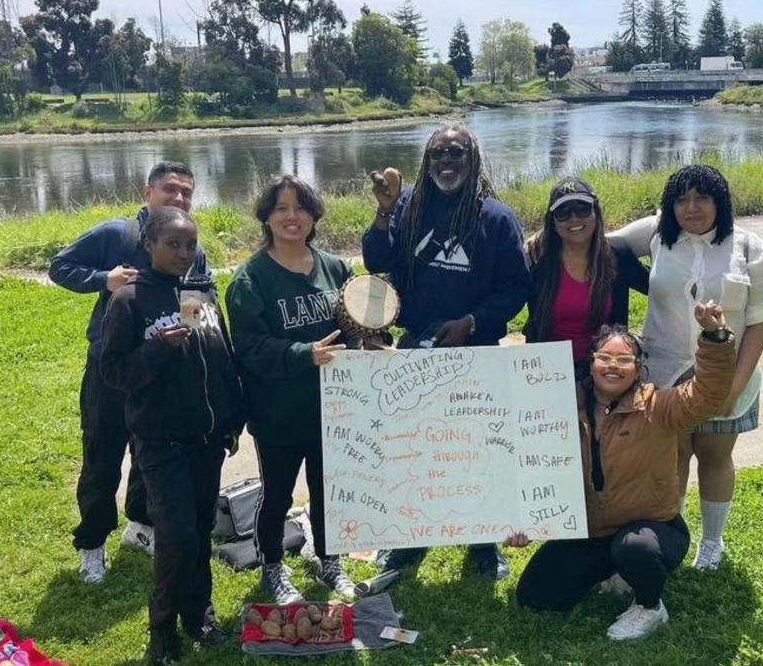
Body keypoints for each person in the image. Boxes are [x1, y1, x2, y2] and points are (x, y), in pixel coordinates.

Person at [362, 122, 530, 579]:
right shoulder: (409, 207)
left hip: (475, 349)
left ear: (472, 160)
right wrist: (382, 212)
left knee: (479, 450)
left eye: (455, 153)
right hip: (417, 345)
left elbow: (516, 287)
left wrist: (473, 321)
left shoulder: (496, 218)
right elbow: (378, 262)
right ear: (426, 160)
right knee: (413, 450)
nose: (446, 162)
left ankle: (483, 542)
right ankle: (410, 541)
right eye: (437, 154)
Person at [511, 302, 736, 641]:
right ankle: (610, 571)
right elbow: (532, 462)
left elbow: (707, 395)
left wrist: (715, 338)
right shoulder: (560, 408)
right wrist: (527, 518)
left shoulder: (659, 406)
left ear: (638, 368)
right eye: (604, 357)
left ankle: (649, 606)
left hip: (653, 529)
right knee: (536, 596)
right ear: (591, 362)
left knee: (635, 549)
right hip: (594, 532)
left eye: (624, 359)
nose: (613, 366)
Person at [48, 161, 208, 584]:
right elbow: (59, 267)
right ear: (147, 192)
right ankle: (93, 543)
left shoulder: (192, 246)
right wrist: (105, 278)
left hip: (163, 370)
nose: (178, 198)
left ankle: (140, 526)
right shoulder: (114, 234)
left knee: (148, 451)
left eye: (186, 193)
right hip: (112, 367)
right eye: (169, 190)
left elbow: (200, 297)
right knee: (103, 454)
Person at [611, 164, 763, 570]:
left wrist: (736, 386)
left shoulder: (750, 248)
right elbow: (604, 241)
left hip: (724, 372)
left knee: (716, 455)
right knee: (672, 457)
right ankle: (675, 535)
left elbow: (759, 322)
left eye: (702, 197)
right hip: (665, 371)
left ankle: (712, 542)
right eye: (681, 199)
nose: (691, 207)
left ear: (720, 202)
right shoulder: (656, 235)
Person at [99, 207, 243, 665]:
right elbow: (113, 372)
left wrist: (231, 420)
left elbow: (224, 361)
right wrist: (157, 349)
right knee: (176, 535)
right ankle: (162, 627)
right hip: (160, 442)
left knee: (200, 530)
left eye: (190, 244)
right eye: (172, 244)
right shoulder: (130, 300)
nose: (183, 253)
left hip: (207, 439)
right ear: (149, 246)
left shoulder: (204, 293)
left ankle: (197, 611)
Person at [226, 175, 359, 605]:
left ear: (314, 214)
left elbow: (354, 327)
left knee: (329, 489)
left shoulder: (336, 268)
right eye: (281, 207)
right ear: (266, 216)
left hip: (333, 408)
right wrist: (303, 353)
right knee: (277, 492)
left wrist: (370, 340)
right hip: (278, 411)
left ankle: (330, 558)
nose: (291, 216)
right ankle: (272, 567)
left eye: (300, 207)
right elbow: (248, 348)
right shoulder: (251, 279)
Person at [523, 177, 649, 377]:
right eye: (563, 212)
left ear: (596, 213)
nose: (574, 218)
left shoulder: (617, 255)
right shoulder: (538, 260)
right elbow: (505, 293)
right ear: (553, 221)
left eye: (582, 208)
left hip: (605, 369)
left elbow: (658, 286)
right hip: (548, 372)